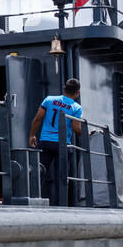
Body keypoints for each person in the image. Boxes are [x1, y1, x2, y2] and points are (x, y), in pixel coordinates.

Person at [28, 78, 84, 206]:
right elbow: (76, 129)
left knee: (39, 172)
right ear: (77, 93)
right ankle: (61, 205)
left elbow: (38, 118)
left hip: (46, 142)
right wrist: (87, 134)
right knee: (62, 177)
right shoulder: (76, 107)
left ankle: (35, 200)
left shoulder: (49, 100)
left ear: (64, 88)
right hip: (63, 145)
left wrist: (32, 135)